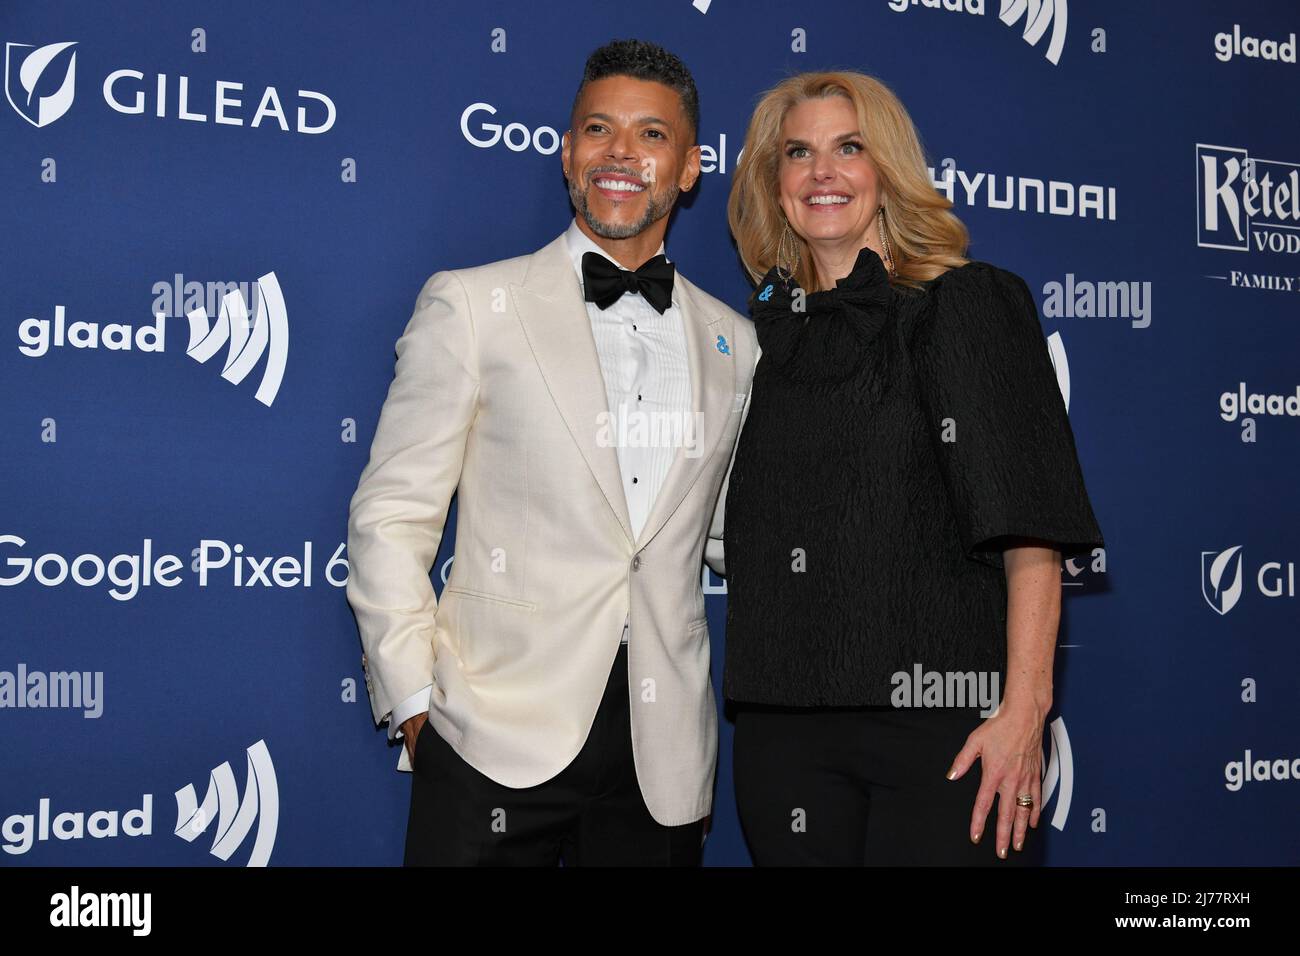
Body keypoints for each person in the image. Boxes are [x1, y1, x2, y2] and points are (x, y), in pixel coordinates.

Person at [345, 38, 757, 866]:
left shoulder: (737, 344)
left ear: (688, 168)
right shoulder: (473, 305)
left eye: (650, 135)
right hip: (489, 739)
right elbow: (392, 514)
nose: (620, 153)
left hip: (663, 757)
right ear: (567, 153)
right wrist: (419, 702)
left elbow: (726, 538)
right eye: (598, 129)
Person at [721, 71, 1105, 866]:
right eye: (799, 152)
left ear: (888, 169)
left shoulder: (964, 305)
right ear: (775, 184)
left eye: (848, 147)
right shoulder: (765, 342)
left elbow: (1029, 529)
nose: (822, 171)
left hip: (944, 732)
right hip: (782, 736)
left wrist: (1024, 711)